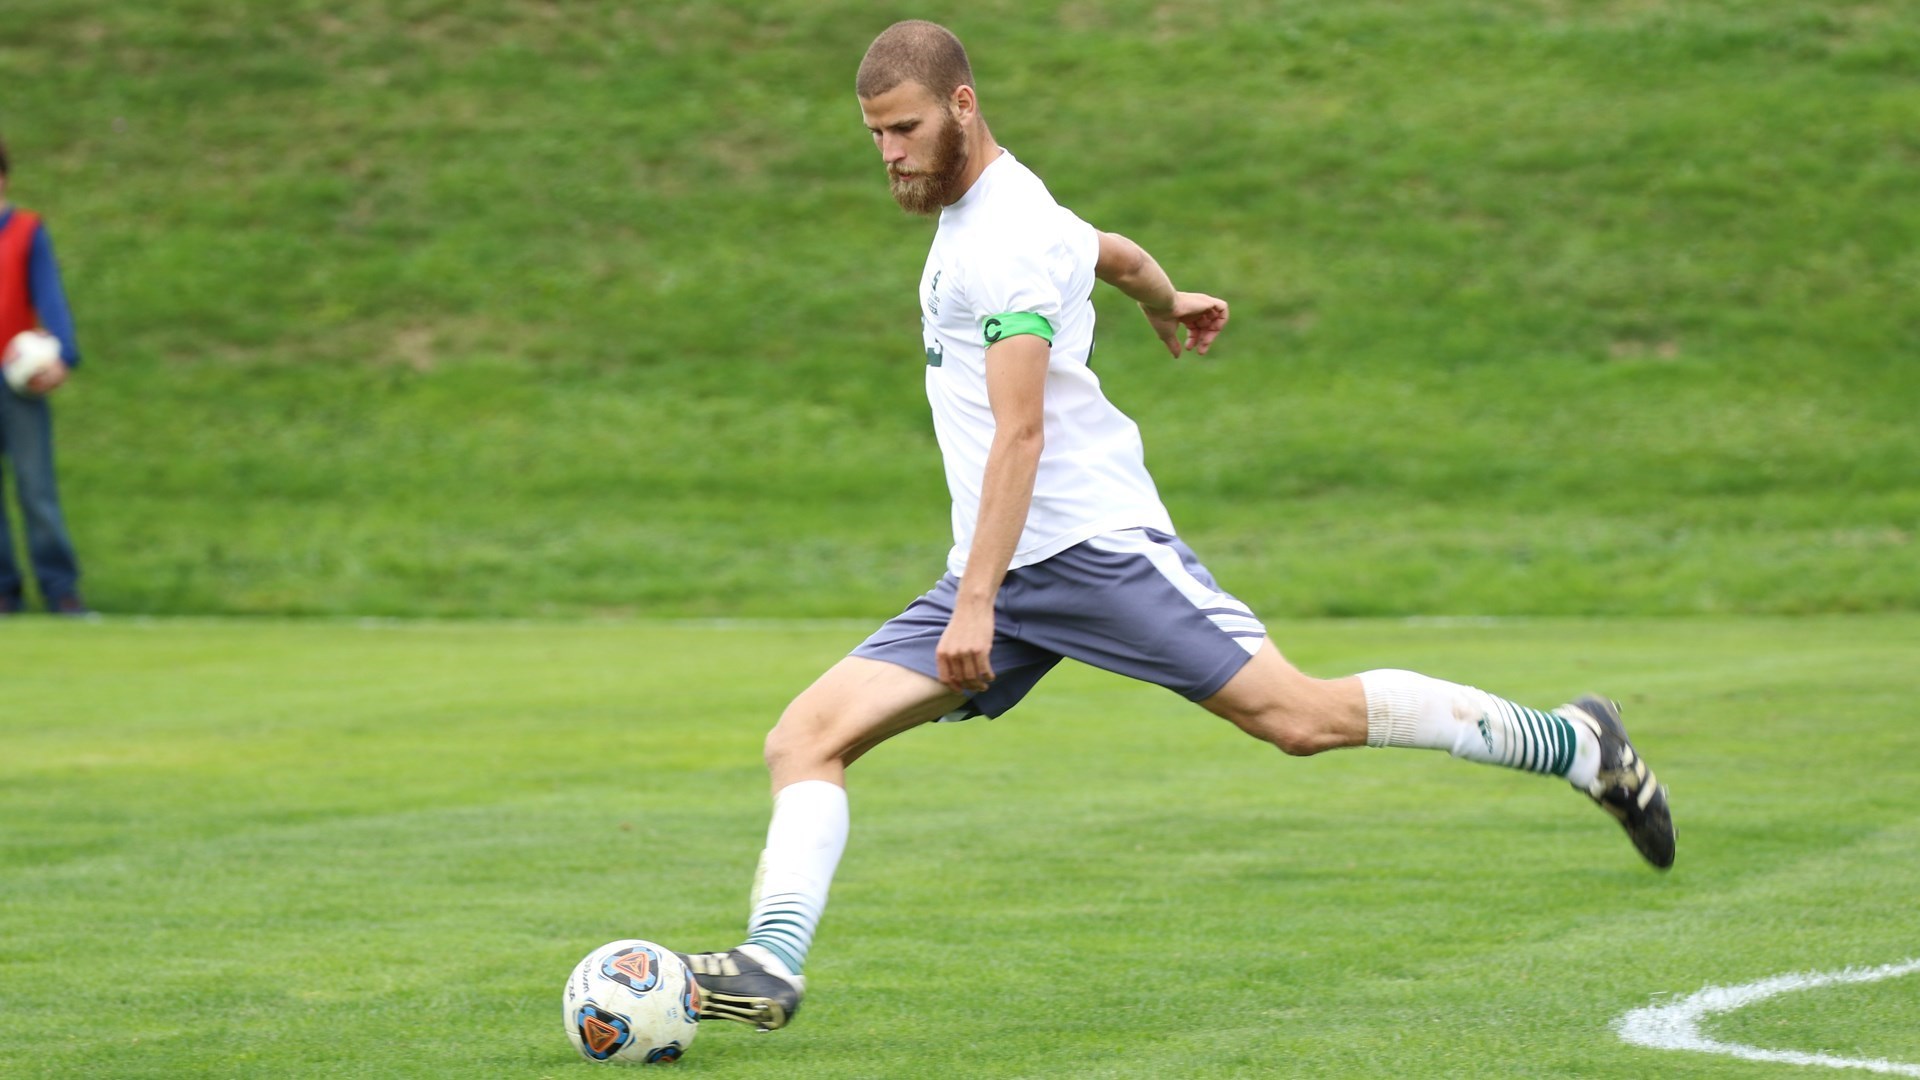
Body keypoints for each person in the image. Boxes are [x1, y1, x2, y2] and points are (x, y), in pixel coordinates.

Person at [673, 21, 1674, 1031]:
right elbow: (1106, 249)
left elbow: (1021, 432)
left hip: (1091, 554)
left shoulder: (1007, 241)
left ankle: (1578, 744)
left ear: (963, 107)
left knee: (1299, 719)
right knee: (803, 738)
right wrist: (1166, 296)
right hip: (1004, 570)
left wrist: (973, 602)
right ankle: (770, 966)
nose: (888, 153)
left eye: (905, 128)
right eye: (875, 135)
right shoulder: (1010, 215)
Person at [0, 134, 87, 616]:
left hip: (16, 380)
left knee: (36, 490)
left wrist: (64, 356)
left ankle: (61, 589)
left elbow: (49, 296)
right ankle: (3, 591)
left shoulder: (27, 232)